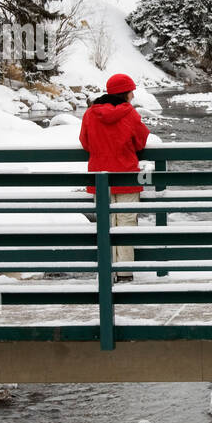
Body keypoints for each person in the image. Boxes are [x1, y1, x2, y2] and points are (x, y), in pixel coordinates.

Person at [79, 73, 150, 281]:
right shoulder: (130, 114)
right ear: (126, 94)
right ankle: (125, 273)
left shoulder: (91, 114)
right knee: (126, 224)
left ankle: (107, 274)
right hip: (126, 177)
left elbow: (85, 142)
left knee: (105, 225)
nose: (133, 96)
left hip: (100, 179)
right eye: (131, 92)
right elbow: (140, 142)